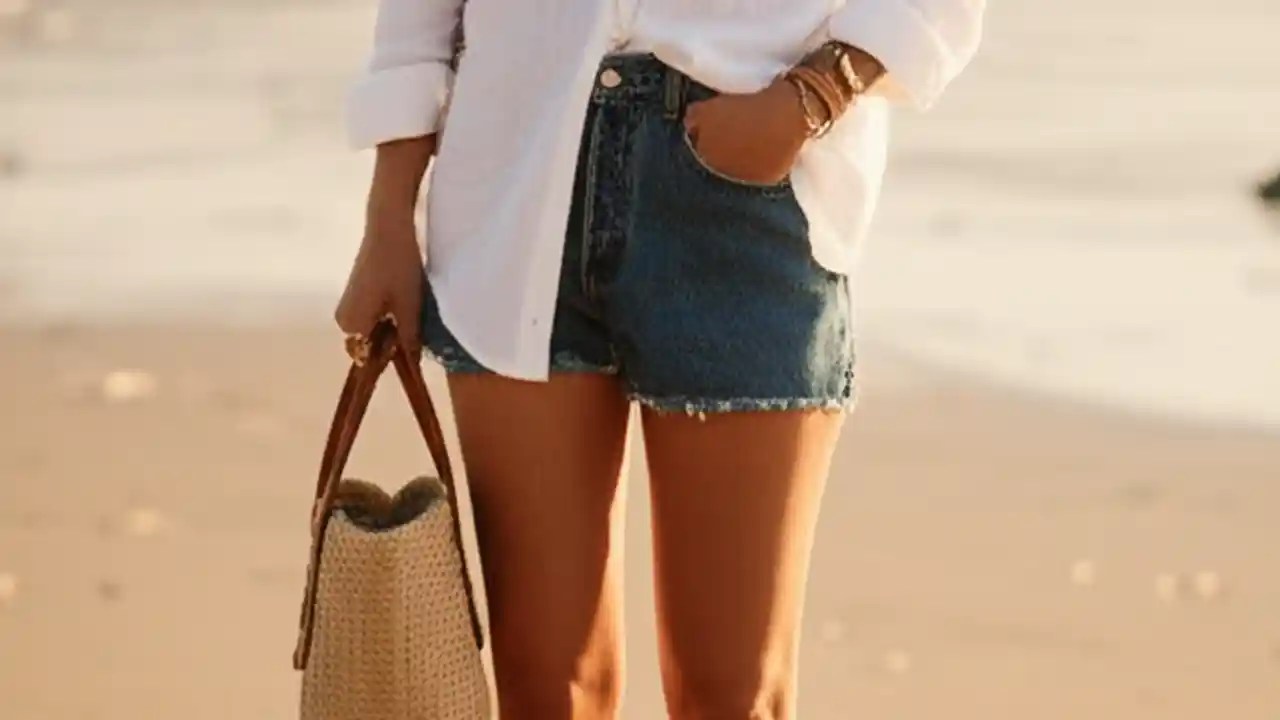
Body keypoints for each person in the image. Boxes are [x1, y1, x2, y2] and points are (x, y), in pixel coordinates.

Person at [335, 2, 983, 718]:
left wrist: (817, 93)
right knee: (544, 691)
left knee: (732, 696)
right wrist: (387, 216)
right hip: (514, 185)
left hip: (749, 183)